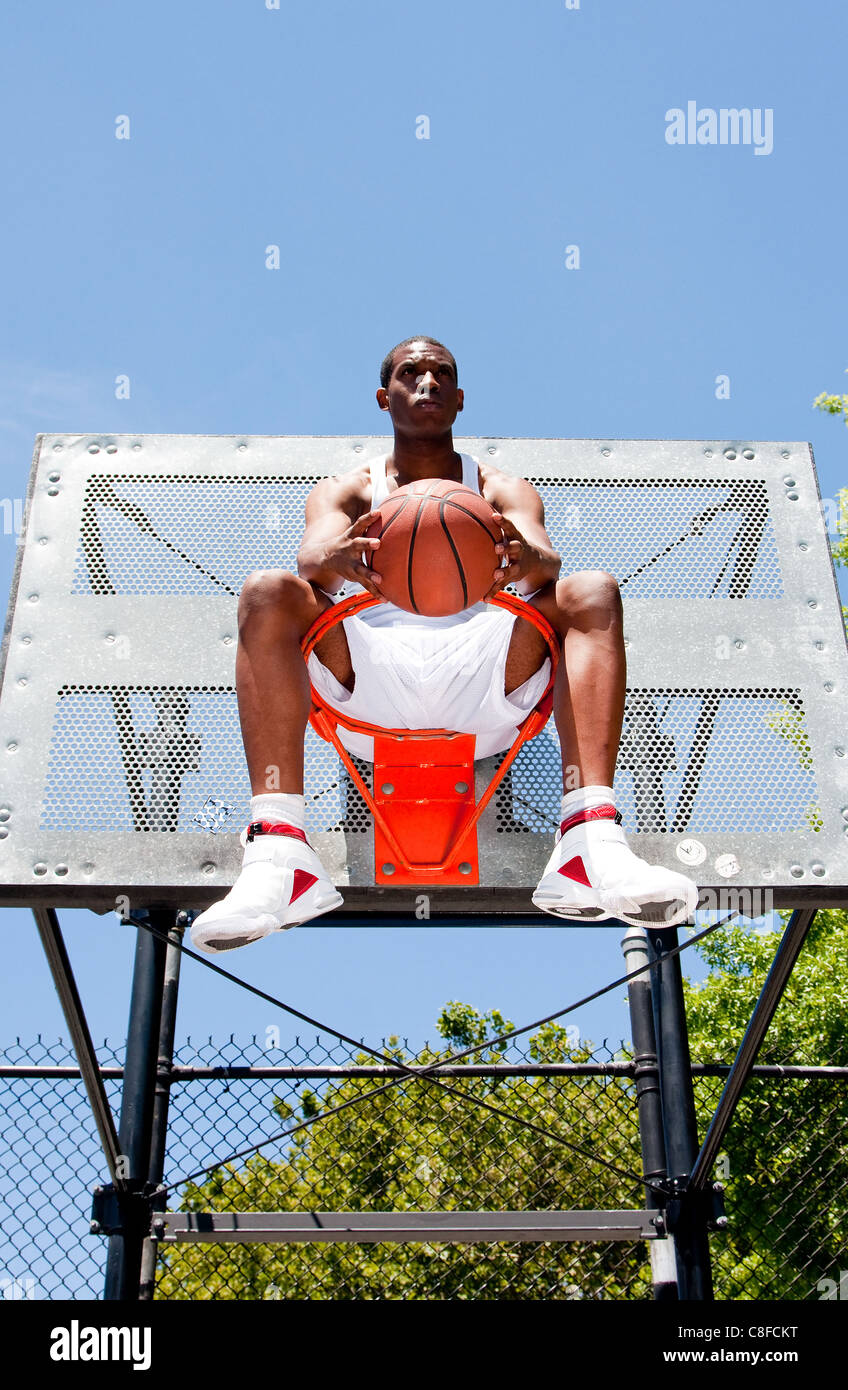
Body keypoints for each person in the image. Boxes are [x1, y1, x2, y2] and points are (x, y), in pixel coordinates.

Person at [190, 336, 698, 953]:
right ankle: (278, 855)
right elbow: (311, 561)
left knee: (590, 589)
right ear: (385, 397)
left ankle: (591, 840)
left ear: (459, 399)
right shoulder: (346, 489)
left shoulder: (500, 487)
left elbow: (546, 563)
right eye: (411, 372)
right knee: (268, 590)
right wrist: (340, 556)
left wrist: (521, 554)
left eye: (441, 374)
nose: (426, 381)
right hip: (366, 684)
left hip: (486, 679)